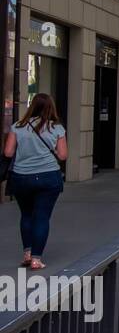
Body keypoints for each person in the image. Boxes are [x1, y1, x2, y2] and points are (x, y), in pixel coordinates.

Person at [4, 93, 68, 271]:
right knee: (41, 217)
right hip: (48, 177)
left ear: (32, 106)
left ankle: (27, 253)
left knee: (26, 215)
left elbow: (8, 153)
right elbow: (63, 155)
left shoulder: (18, 126)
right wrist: (52, 150)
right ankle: (36, 259)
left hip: (21, 177)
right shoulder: (56, 128)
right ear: (50, 108)